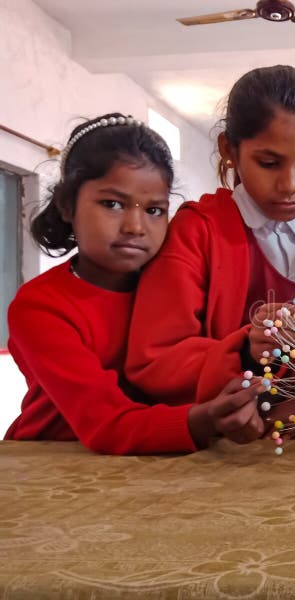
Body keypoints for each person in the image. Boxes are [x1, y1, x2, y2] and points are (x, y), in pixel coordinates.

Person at [6, 114, 264, 454]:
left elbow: (197, 371)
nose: (135, 226)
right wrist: (203, 421)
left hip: (159, 461)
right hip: (55, 460)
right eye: (112, 204)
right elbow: (106, 423)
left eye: (154, 210)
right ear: (67, 205)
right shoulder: (40, 306)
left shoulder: (177, 285)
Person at [126, 66, 295, 415]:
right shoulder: (198, 232)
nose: (290, 185)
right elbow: (153, 362)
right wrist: (241, 351)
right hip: (220, 449)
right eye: (269, 163)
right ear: (229, 150)